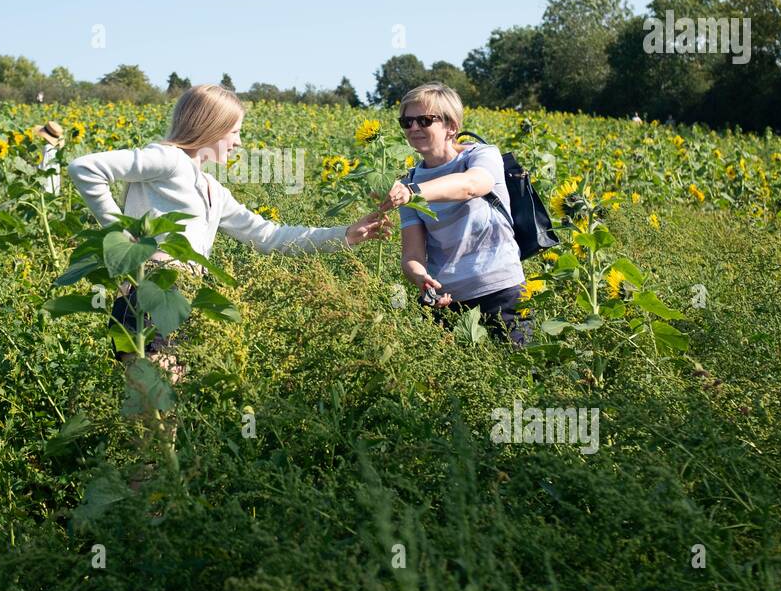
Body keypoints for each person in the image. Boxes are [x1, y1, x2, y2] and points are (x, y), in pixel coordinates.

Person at [68, 83, 390, 377]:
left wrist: (344, 235)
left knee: (165, 415)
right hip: (150, 290)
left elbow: (269, 236)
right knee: (155, 407)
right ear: (210, 126)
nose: (239, 142)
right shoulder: (168, 159)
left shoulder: (212, 189)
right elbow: (85, 168)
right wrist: (124, 238)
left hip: (184, 298)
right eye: (234, 131)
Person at [380, 82, 529, 345]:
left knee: (524, 373)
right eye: (407, 122)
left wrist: (412, 192)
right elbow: (412, 256)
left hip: (502, 291)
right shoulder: (410, 180)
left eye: (425, 120)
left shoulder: (480, 155)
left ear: (451, 126)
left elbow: (472, 186)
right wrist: (422, 279)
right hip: (449, 302)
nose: (414, 128)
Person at [33, 121, 64, 193]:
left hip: (45, 188)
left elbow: (43, 168)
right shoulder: (56, 149)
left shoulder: (47, 149)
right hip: (54, 188)